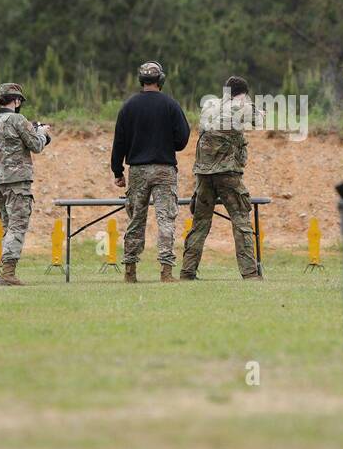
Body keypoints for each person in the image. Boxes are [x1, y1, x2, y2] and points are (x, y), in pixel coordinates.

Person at [110, 61, 191, 283]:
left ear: (141, 80)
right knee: (166, 219)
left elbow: (119, 142)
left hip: (137, 170)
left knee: (136, 219)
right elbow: (183, 138)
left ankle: (130, 271)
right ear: (161, 80)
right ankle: (166, 271)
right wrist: (168, 143)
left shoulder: (129, 106)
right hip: (165, 169)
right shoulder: (171, 105)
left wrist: (118, 171)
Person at [181, 76, 262, 281]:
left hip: (203, 174)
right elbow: (259, 119)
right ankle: (250, 273)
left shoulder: (209, 105)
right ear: (243, 93)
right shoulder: (241, 107)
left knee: (200, 222)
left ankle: (187, 271)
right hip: (228, 174)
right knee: (240, 220)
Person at [0, 82, 52, 286]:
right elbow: (36, 146)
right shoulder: (18, 119)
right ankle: (8, 274)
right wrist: (42, 133)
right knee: (17, 226)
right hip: (17, 181)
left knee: (8, 226)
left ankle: (6, 270)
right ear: (16, 100)